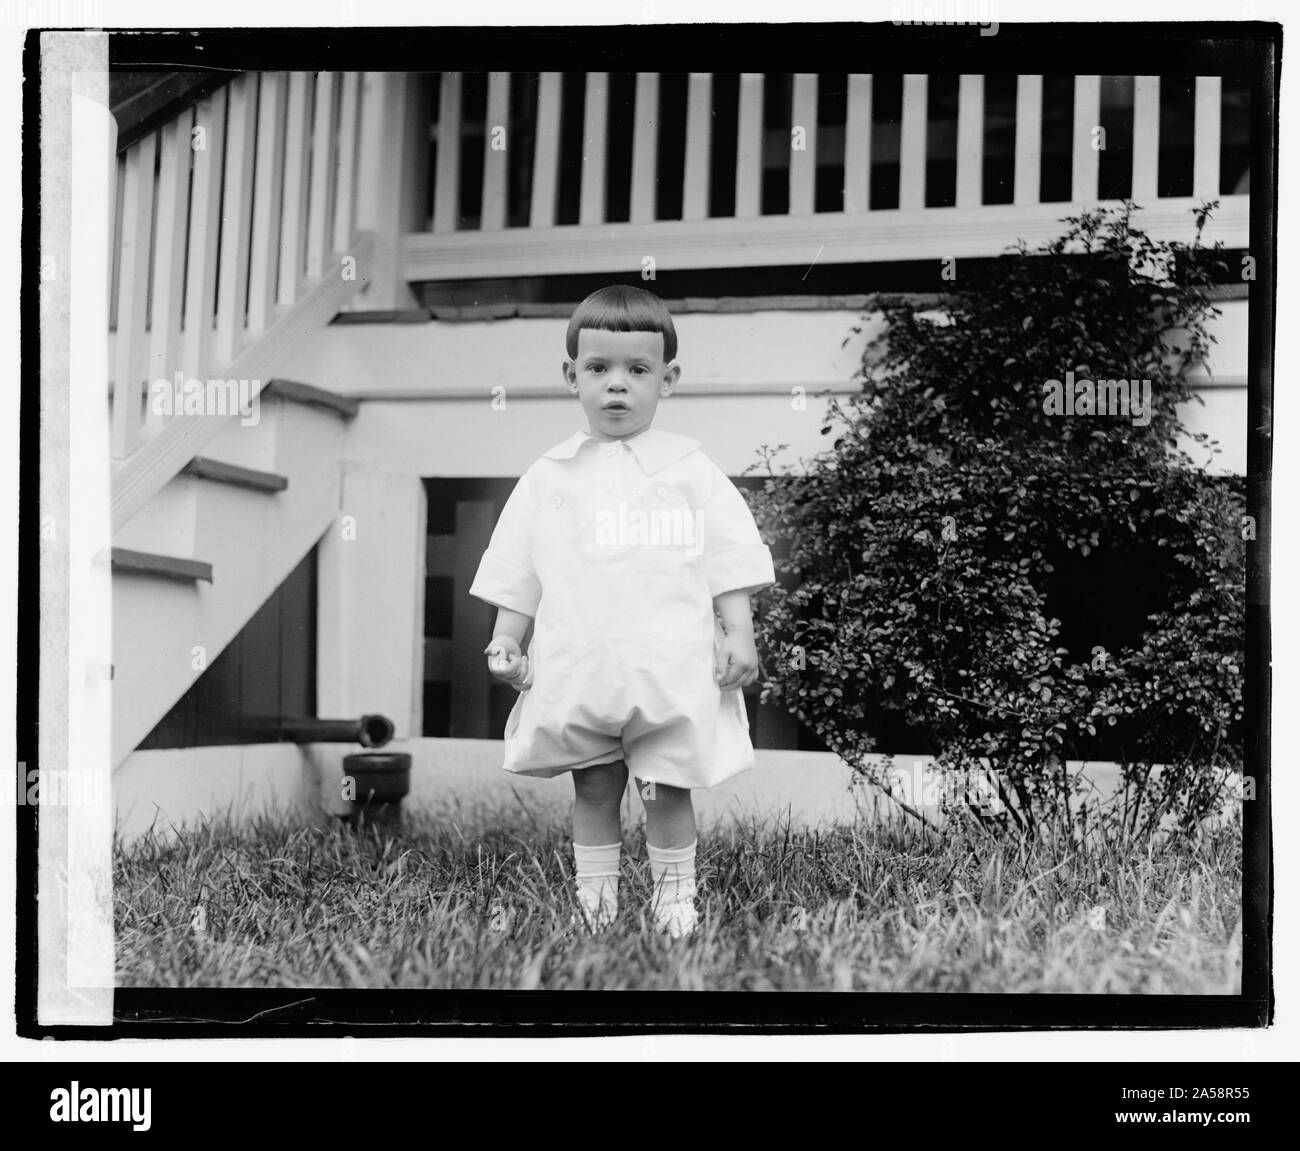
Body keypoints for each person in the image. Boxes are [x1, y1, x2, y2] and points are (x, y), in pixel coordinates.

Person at [469, 284, 775, 938]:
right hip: (582, 660)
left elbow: (727, 555)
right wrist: (507, 637)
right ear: (570, 375)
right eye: (598, 369)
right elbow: (519, 566)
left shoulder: (689, 471)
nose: (617, 386)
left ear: (668, 380)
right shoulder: (550, 476)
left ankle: (674, 905)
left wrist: (739, 632)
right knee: (595, 784)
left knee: (666, 784)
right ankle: (596, 906)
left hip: (668, 663)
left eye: (637, 371)